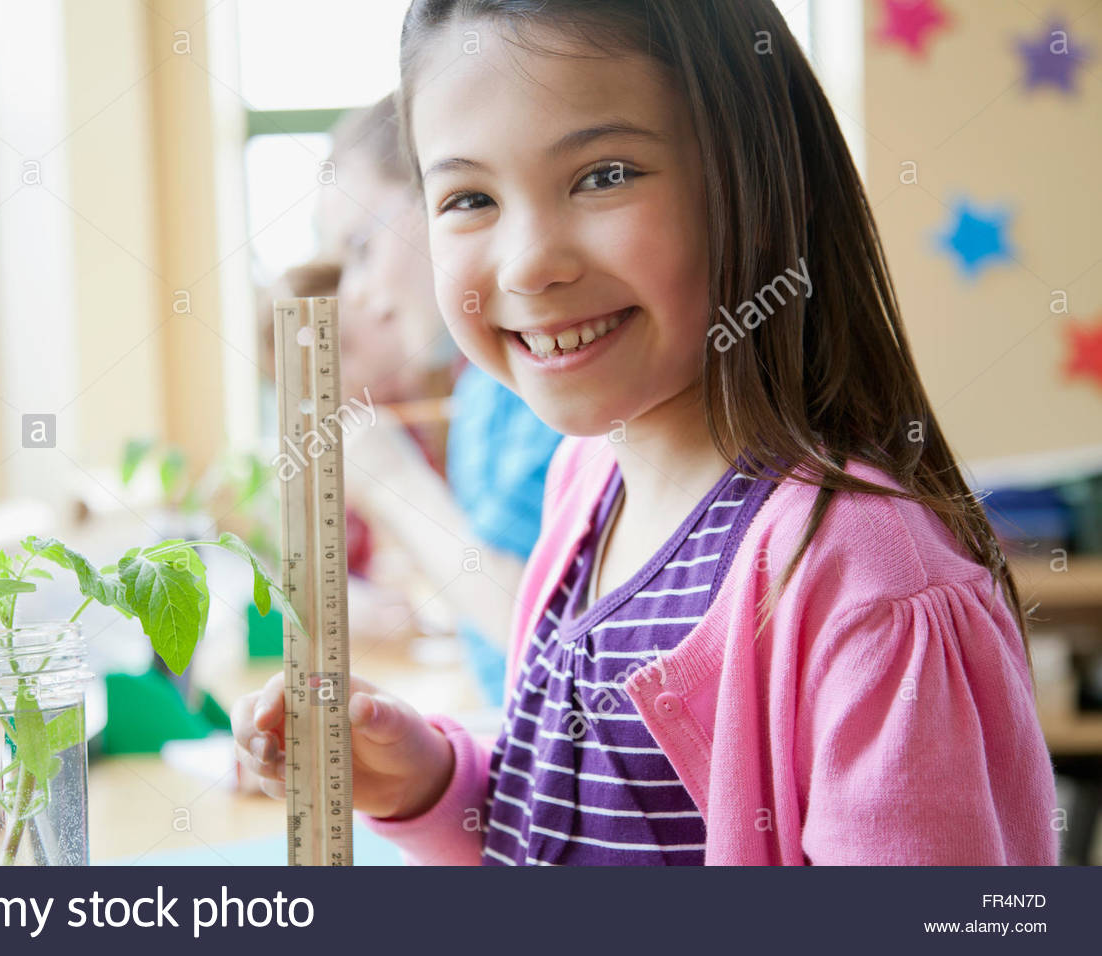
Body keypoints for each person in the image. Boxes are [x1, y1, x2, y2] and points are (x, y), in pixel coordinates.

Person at [234, 0, 1057, 865]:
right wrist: (433, 785)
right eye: (469, 197)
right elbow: (579, 830)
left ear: (751, 180)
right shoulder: (586, 485)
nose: (528, 263)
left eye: (604, 175)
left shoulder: (871, 589)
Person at [317, 93, 563, 702]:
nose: (359, 292)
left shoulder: (555, 378)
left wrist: (394, 482)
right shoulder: (481, 392)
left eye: (361, 248)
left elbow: (549, 635)